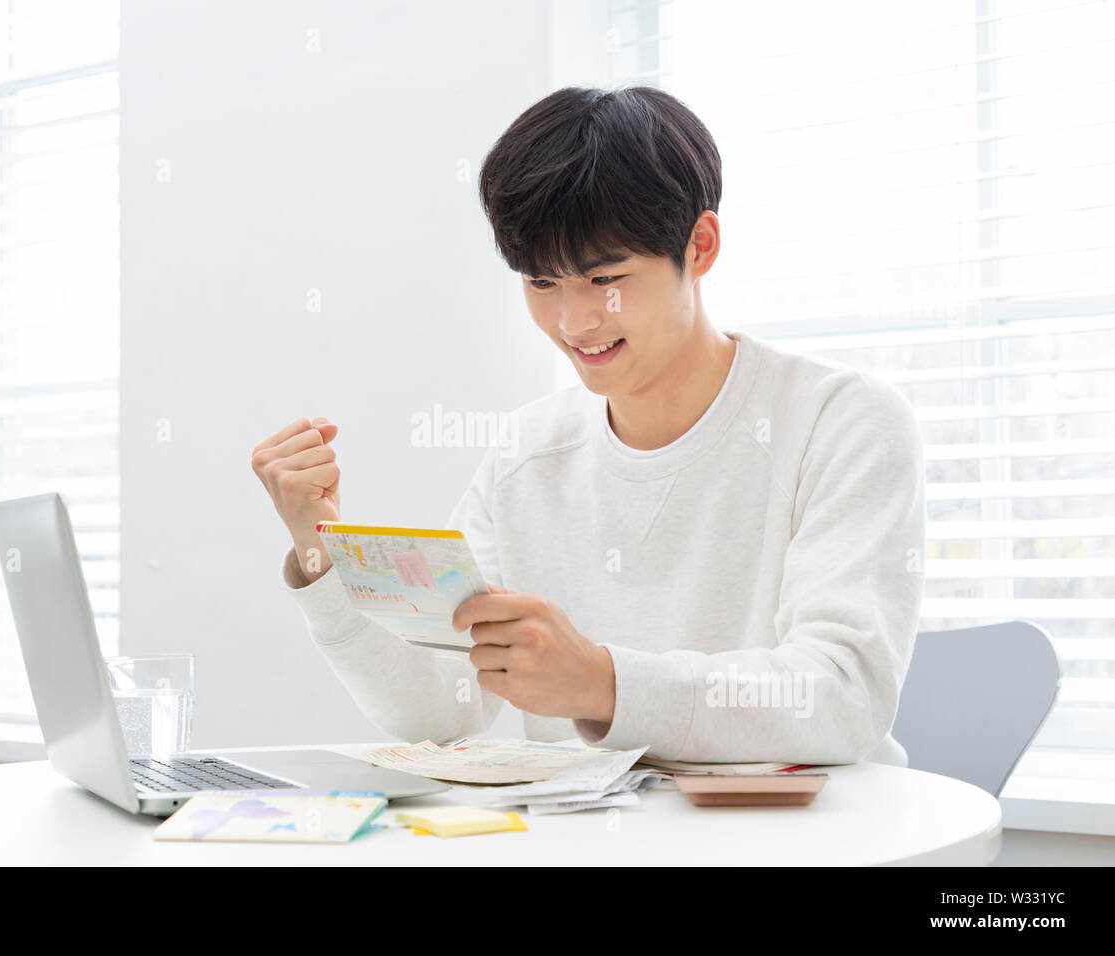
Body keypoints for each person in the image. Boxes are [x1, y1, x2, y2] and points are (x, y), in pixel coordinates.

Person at [251, 86, 925, 765]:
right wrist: (320, 553)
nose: (574, 323)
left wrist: (602, 683)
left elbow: (842, 695)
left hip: (815, 841)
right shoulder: (528, 454)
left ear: (701, 245)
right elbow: (440, 708)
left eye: (605, 278)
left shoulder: (842, 423)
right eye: (541, 283)